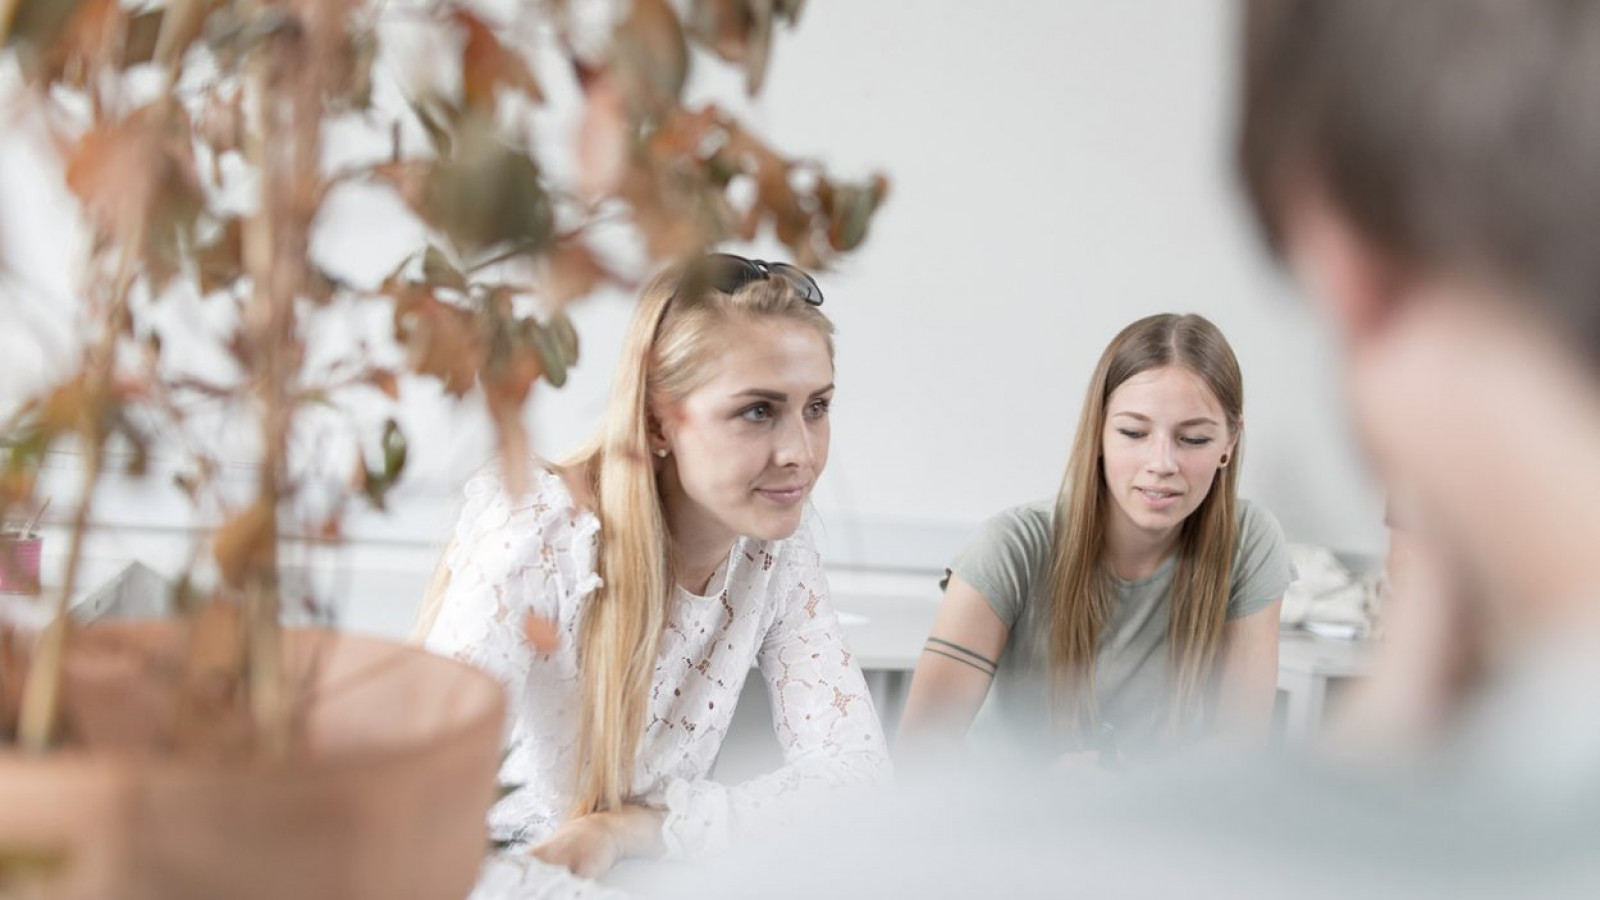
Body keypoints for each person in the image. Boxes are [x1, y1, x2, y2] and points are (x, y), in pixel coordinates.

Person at [415, 254, 889, 886]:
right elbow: (418, 800)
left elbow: (857, 781)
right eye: (757, 411)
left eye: (817, 408)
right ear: (658, 422)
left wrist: (631, 830)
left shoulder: (775, 556)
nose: (799, 454)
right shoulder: (544, 530)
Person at [897, 313, 1293, 766]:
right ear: (1099, 432)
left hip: (1149, 827)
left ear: (1230, 442)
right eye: (1133, 433)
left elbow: (1238, 750)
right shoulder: (1010, 547)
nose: (1162, 462)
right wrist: (1039, 792)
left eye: (1194, 439)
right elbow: (920, 754)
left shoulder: (1251, 542)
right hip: (1004, 825)